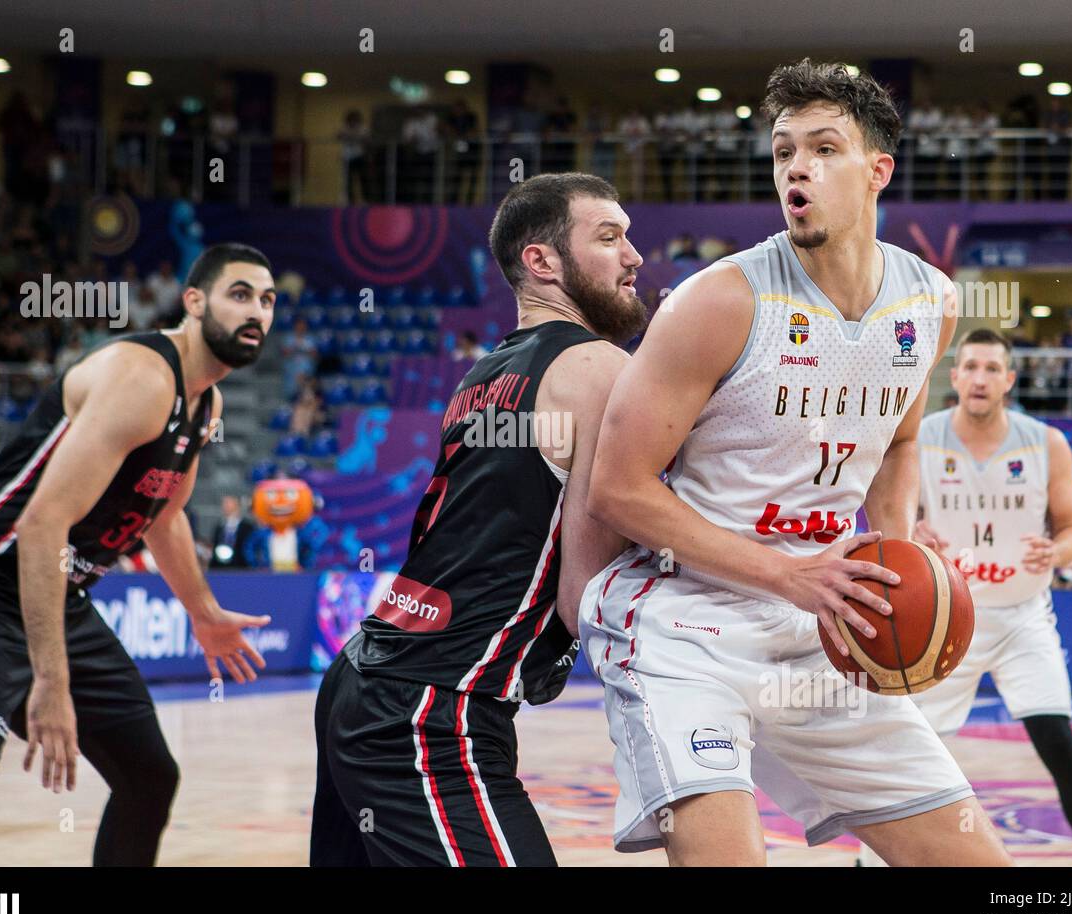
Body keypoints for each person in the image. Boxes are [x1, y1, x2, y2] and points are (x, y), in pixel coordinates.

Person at [578, 59, 1010, 866]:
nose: (797, 169)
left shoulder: (933, 303)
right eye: (783, 153)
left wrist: (896, 550)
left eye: (823, 149)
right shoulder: (720, 300)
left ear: (878, 170)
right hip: (687, 624)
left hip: (820, 620)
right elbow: (617, 489)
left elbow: (902, 441)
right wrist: (789, 576)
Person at [0, 243, 277, 867]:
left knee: (149, 778)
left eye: (268, 301)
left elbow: (163, 517)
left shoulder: (205, 404)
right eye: (240, 294)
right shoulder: (142, 377)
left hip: (56, 595)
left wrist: (203, 614)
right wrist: (51, 682)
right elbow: (41, 525)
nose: (257, 312)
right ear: (194, 302)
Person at [311, 172, 646, 866]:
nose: (634, 255)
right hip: (433, 709)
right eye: (609, 236)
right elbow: (584, 590)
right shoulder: (600, 367)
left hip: (369, 681)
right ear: (542, 261)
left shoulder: (480, 377)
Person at [903, 328, 1072, 867]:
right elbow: (895, 521)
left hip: (1023, 619)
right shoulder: (919, 439)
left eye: (991, 369)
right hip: (948, 619)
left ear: (1009, 380)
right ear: (954, 378)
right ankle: (873, 857)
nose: (979, 378)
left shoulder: (1046, 443)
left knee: (1058, 744)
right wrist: (913, 532)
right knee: (908, 753)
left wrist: (1057, 552)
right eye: (970, 366)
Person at [210, 494, 254, 568]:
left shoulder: (247, 527)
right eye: (223, 503)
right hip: (220, 568)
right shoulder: (219, 527)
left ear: (237, 504)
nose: (224, 505)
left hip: (241, 568)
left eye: (228, 502)